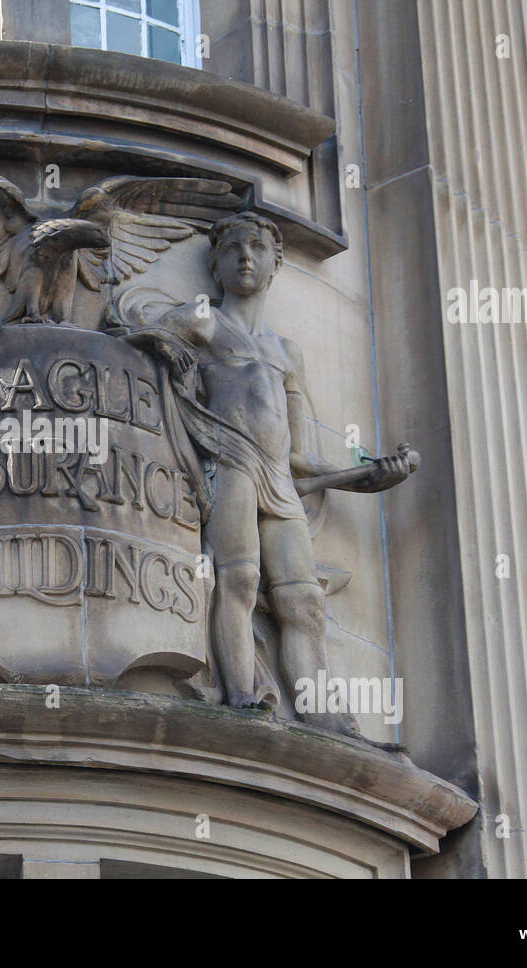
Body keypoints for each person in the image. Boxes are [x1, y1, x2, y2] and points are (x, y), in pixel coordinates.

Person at [128, 212, 411, 732]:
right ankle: (241, 696)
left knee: (303, 601)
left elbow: (300, 457)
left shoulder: (287, 352)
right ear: (214, 263)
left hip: (279, 481)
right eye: (233, 248)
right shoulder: (205, 320)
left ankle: (322, 715)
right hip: (229, 464)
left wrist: (367, 476)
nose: (245, 258)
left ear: (274, 265)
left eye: (257, 248)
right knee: (237, 580)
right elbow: (142, 336)